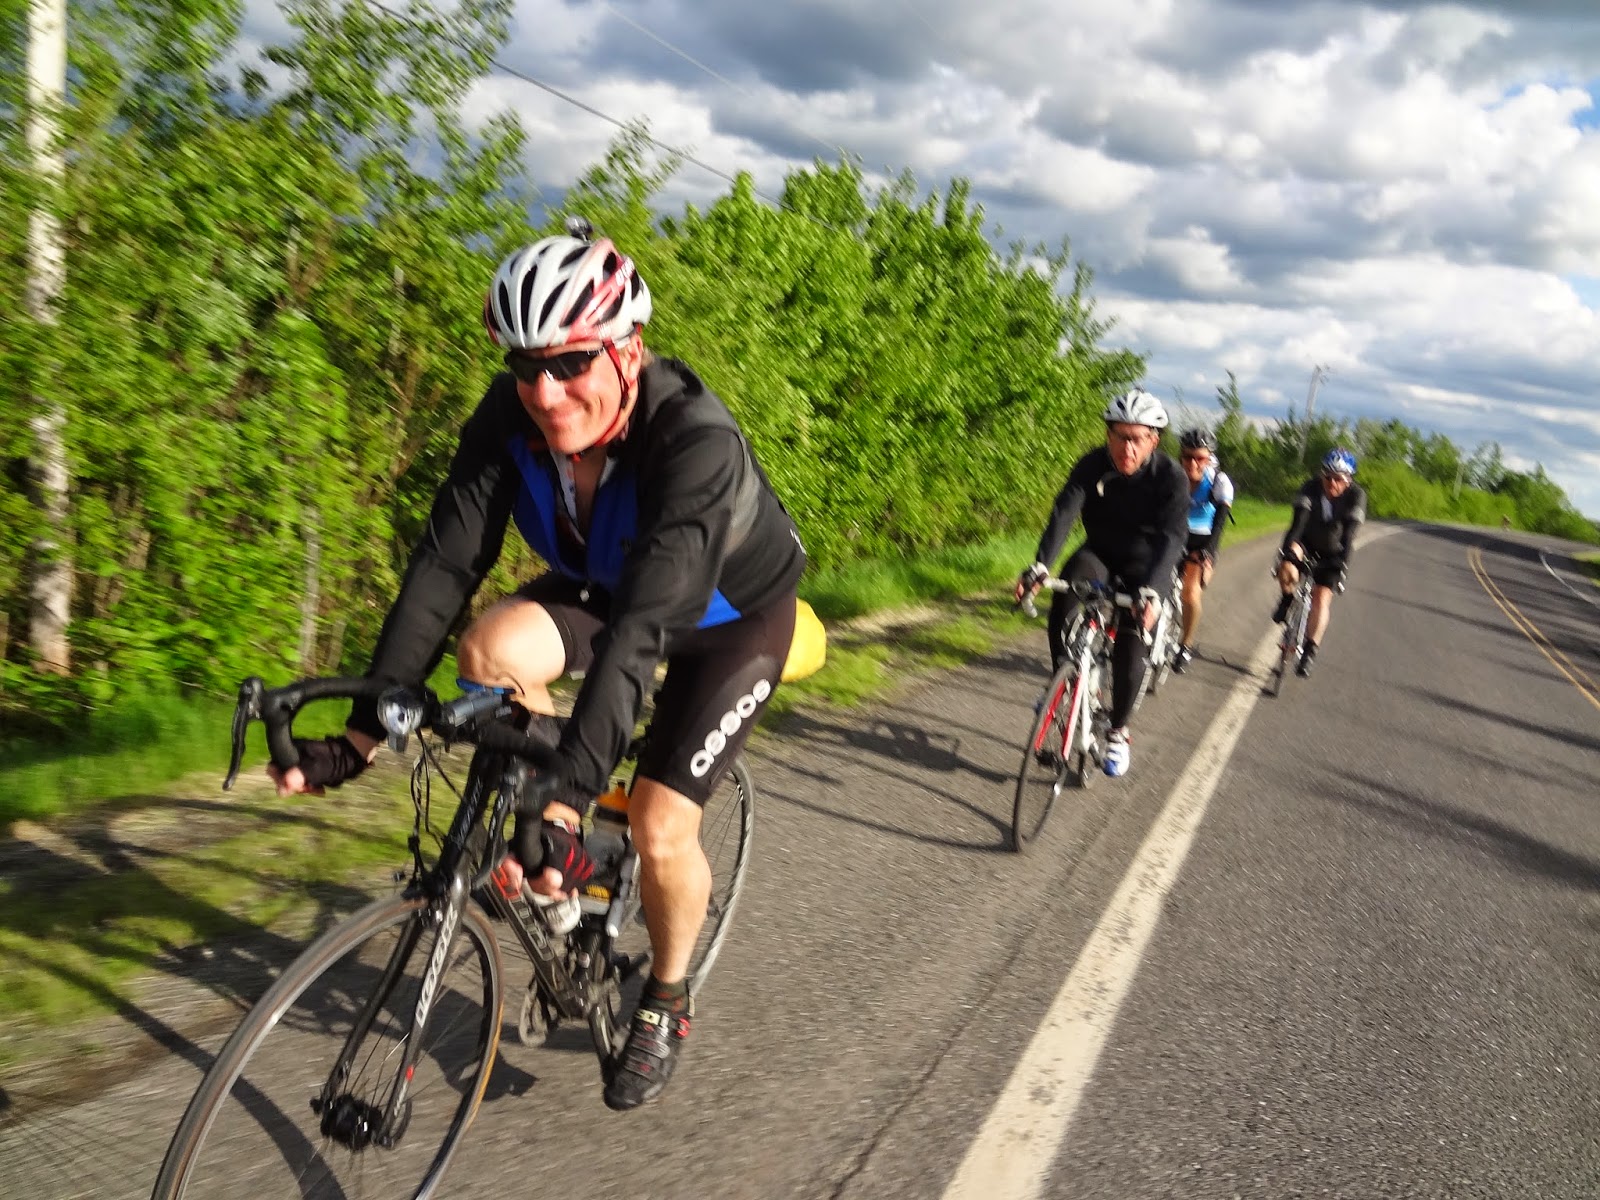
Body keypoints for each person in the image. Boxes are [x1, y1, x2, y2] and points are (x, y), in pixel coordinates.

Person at [268, 223, 807, 1111]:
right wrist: (366, 729)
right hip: (611, 583)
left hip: (727, 622)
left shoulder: (693, 440)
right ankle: (564, 896)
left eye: (571, 364)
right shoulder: (509, 417)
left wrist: (564, 789)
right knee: (488, 651)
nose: (547, 394)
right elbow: (445, 564)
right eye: (526, 368)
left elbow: (642, 633)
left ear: (628, 351)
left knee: (660, 825)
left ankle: (666, 998)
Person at [1015, 389, 1189, 778]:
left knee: (1132, 642)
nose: (1126, 448)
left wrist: (1154, 592)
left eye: (1136, 438)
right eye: (1119, 436)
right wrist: (1041, 565)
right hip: (1100, 555)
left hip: (1144, 568)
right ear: (1108, 435)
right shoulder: (1093, 464)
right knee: (1068, 591)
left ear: (1152, 440)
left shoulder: (1171, 479)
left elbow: (1173, 539)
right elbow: (1065, 511)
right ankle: (1063, 679)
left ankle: (1118, 730)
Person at [1273, 447, 1366, 677]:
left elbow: (1349, 535)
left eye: (1338, 479)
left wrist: (1341, 565)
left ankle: (1309, 652)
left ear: (1348, 481)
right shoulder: (1310, 488)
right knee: (1287, 563)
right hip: (1307, 540)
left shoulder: (1356, 496)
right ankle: (1286, 600)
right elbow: (1297, 525)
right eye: (1327, 477)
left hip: (1334, 548)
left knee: (1321, 598)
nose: (1331, 483)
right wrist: (1289, 554)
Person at [1173, 428, 1234, 673]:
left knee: (1189, 593)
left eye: (1200, 458)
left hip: (1203, 541)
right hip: (1175, 535)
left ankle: (1185, 645)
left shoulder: (1219, 481)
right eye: (1188, 457)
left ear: (1209, 458)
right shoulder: (1173, 475)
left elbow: (1219, 521)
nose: (1193, 463)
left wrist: (1207, 552)